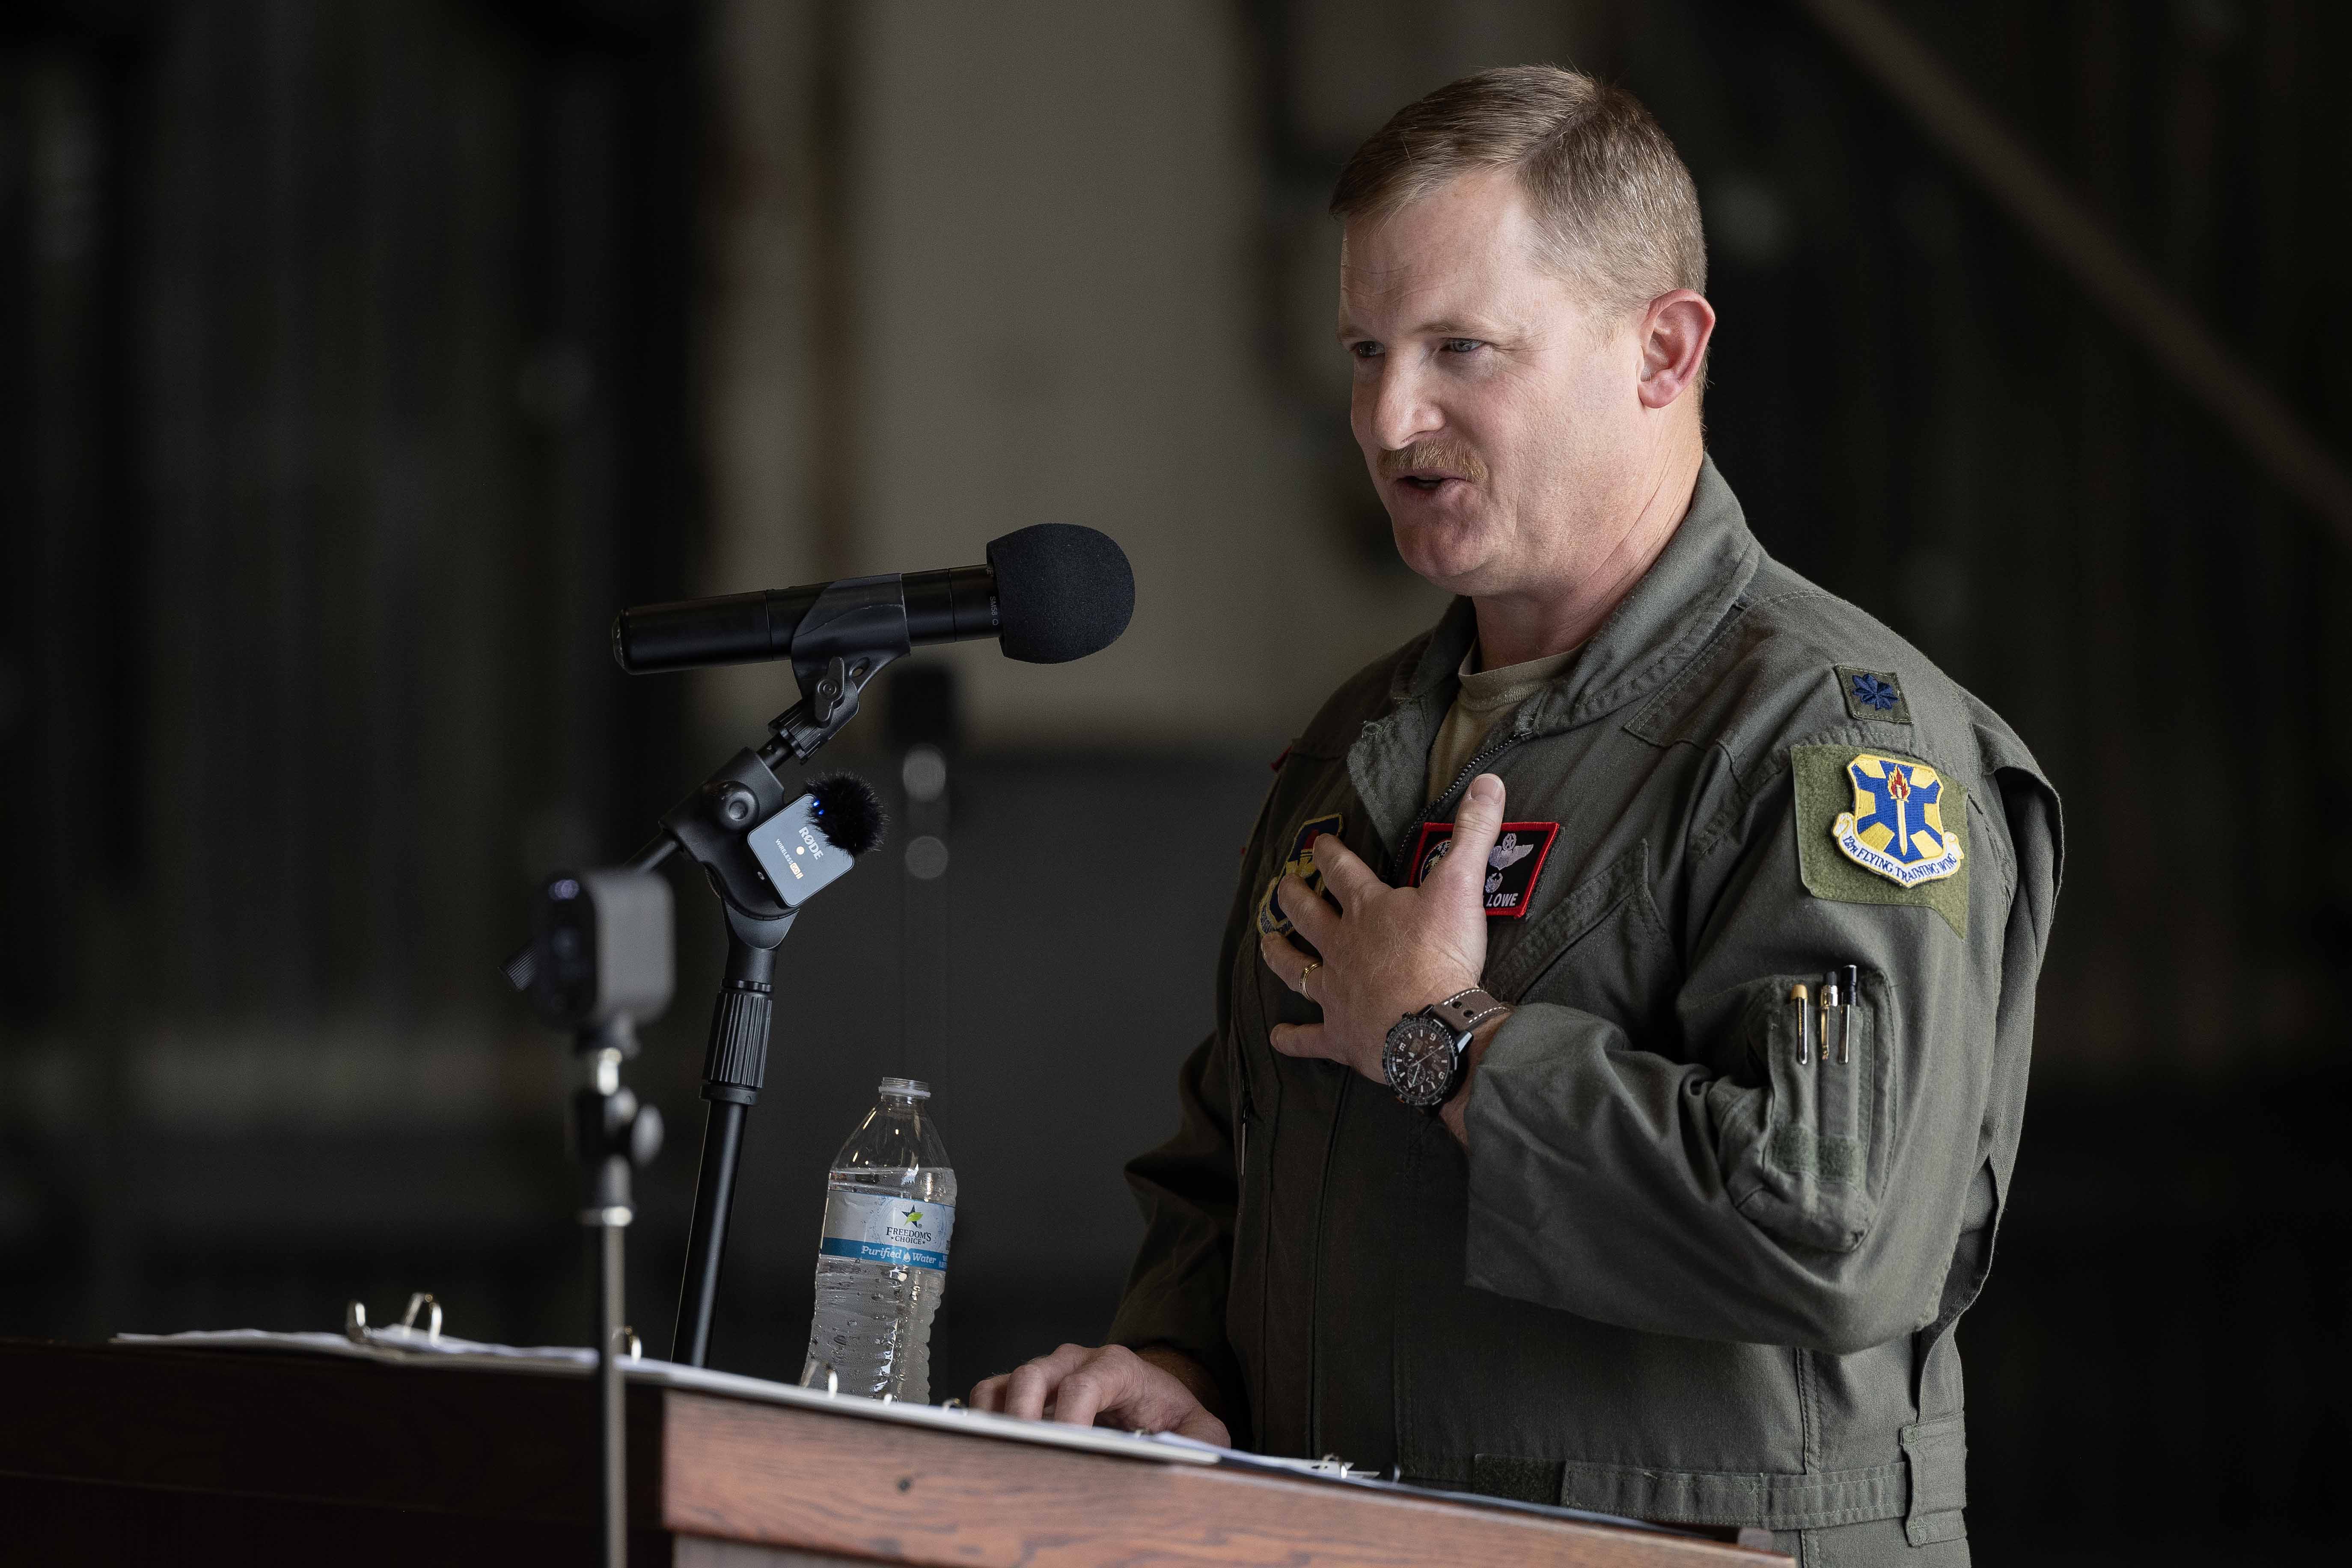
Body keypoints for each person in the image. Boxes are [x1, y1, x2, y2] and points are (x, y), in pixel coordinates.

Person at [971, 65, 2060, 1565]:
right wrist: (1173, 1365)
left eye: (1460, 348)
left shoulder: (1836, 745)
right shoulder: (1355, 745)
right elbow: (1237, 1155)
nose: (1390, 416)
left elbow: (1835, 1226)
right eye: (1366, 350)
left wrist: (1445, 1039)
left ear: (1664, 352)